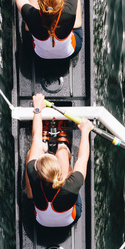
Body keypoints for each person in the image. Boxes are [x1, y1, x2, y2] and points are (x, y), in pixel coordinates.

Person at [25, 93, 92, 227]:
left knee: (30, 154)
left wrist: (38, 110)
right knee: (62, 155)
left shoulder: (32, 171)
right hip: (69, 218)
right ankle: (62, 145)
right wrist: (85, 131)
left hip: (40, 220)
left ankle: (44, 145)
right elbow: (82, 158)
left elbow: (36, 137)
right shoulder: (72, 184)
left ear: (38, 174)